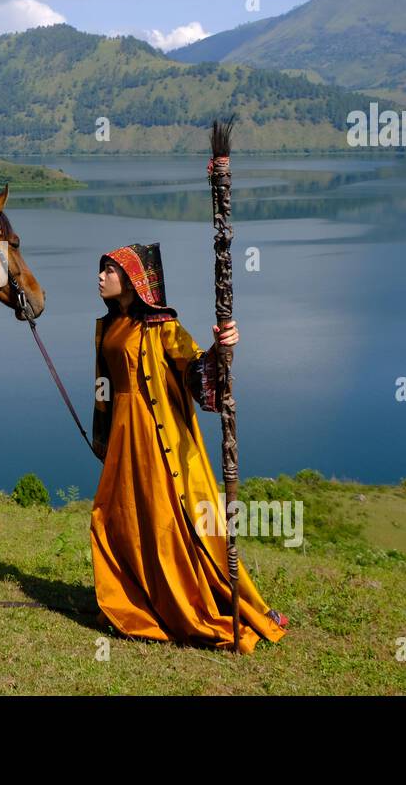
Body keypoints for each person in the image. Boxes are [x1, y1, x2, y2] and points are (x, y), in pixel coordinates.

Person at [89, 163, 289, 654]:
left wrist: (224, 351)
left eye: (109, 270)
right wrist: (103, 431)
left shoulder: (165, 330)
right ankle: (141, 595)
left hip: (161, 442)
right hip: (124, 438)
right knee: (117, 519)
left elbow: (201, 379)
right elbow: (102, 384)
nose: (100, 277)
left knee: (167, 521)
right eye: (101, 269)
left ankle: (189, 603)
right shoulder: (107, 327)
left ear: (133, 278)